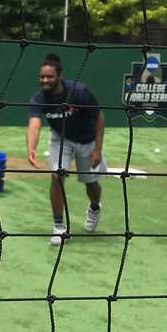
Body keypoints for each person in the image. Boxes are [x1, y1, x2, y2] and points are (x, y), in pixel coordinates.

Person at [26, 54, 107, 245]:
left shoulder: (79, 93)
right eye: (42, 77)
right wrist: (31, 148)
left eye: (49, 77)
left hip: (86, 140)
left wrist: (98, 149)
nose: (44, 80)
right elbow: (34, 125)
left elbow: (99, 118)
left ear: (59, 76)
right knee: (57, 176)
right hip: (60, 139)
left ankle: (94, 208)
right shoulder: (38, 99)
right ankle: (59, 227)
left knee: (91, 184)